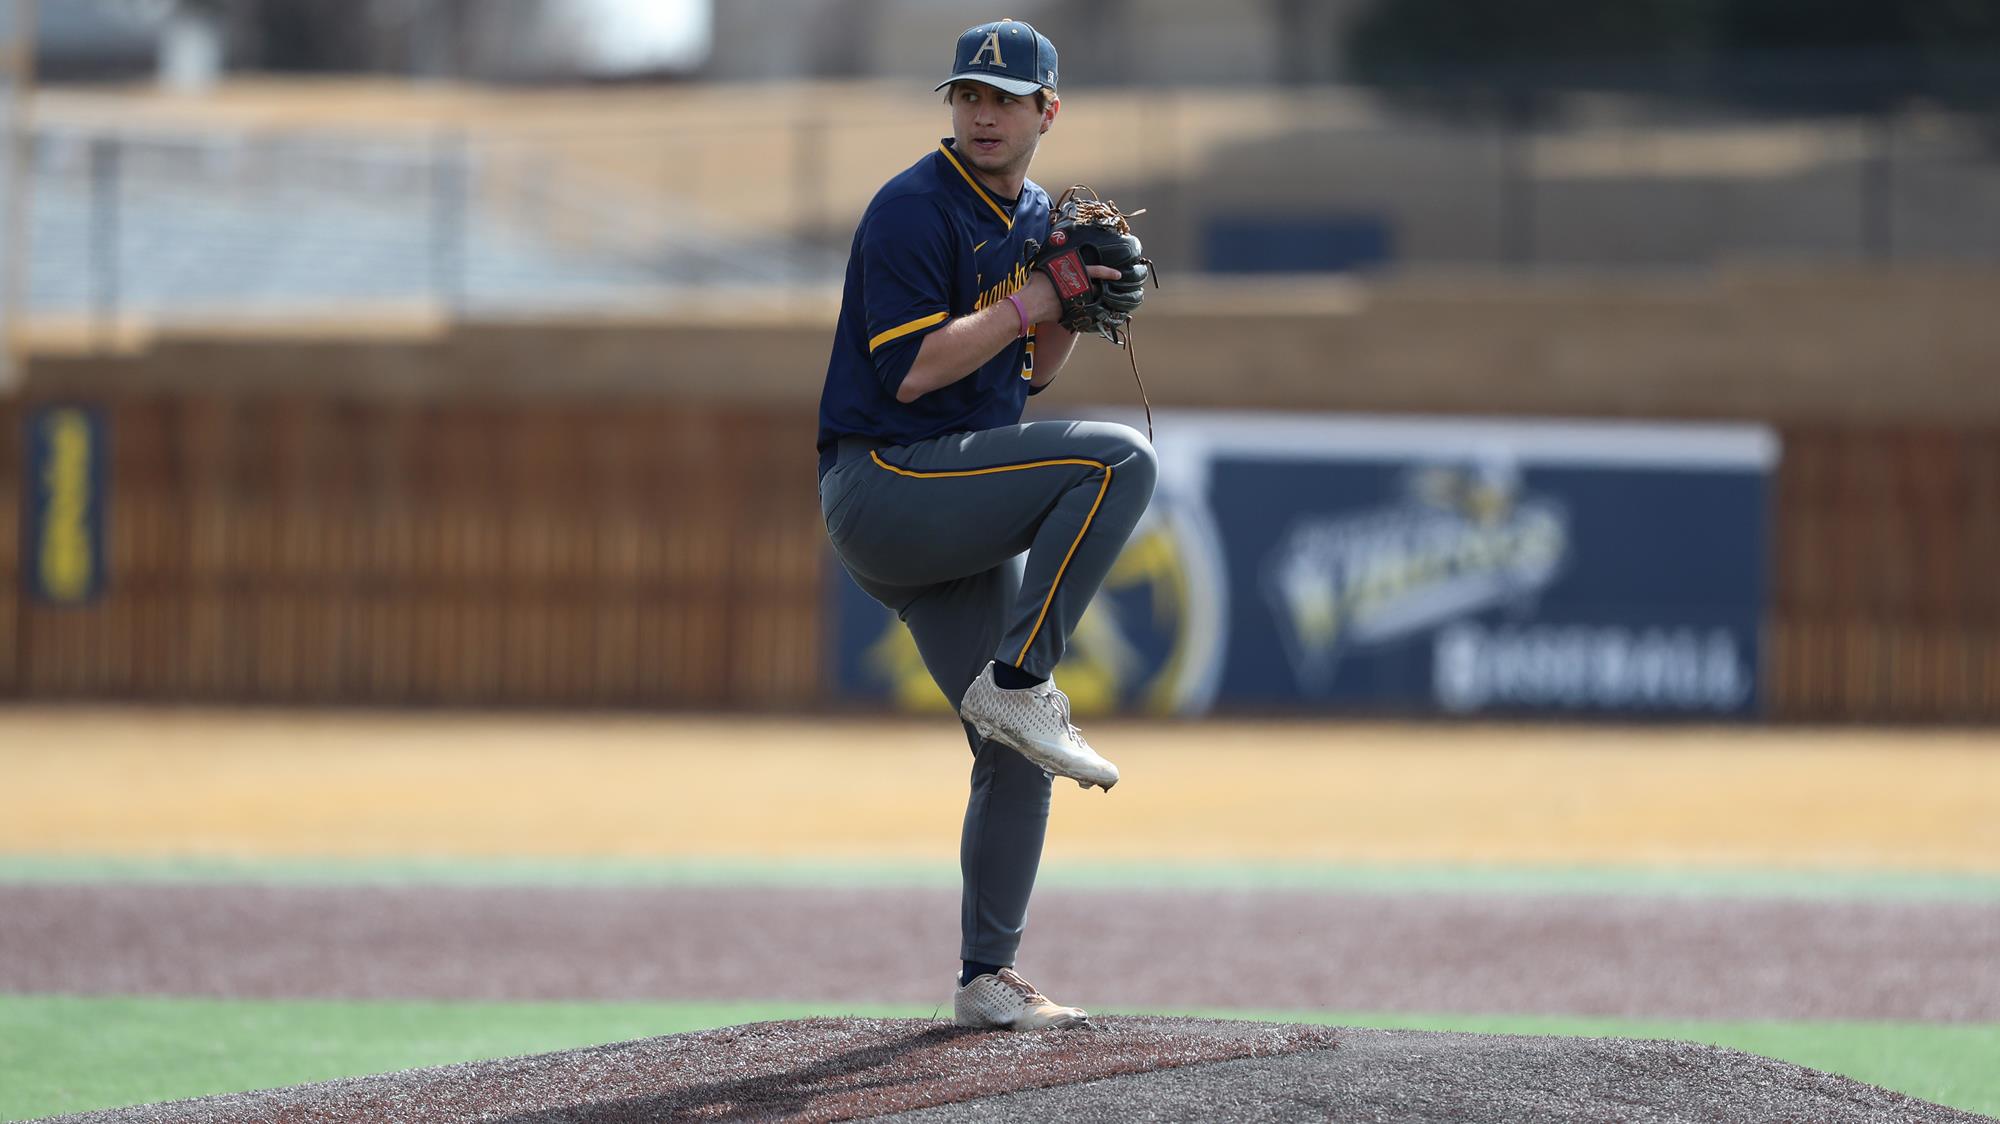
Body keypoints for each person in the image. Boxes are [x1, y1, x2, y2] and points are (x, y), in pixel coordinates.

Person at [815, 18, 1156, 1031]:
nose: (983, 113)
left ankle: (985, 977)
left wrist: (1074, 308)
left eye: (1005, 99)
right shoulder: (912, 209)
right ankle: (1022, 680)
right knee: (1117, 461)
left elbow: (1031, 374)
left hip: (947, 505)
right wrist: (1036, 297)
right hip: (884, 482)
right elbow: (910, 370)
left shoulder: (1038, 216)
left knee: (1015, 750)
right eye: (969, 94)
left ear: (1048, 112)